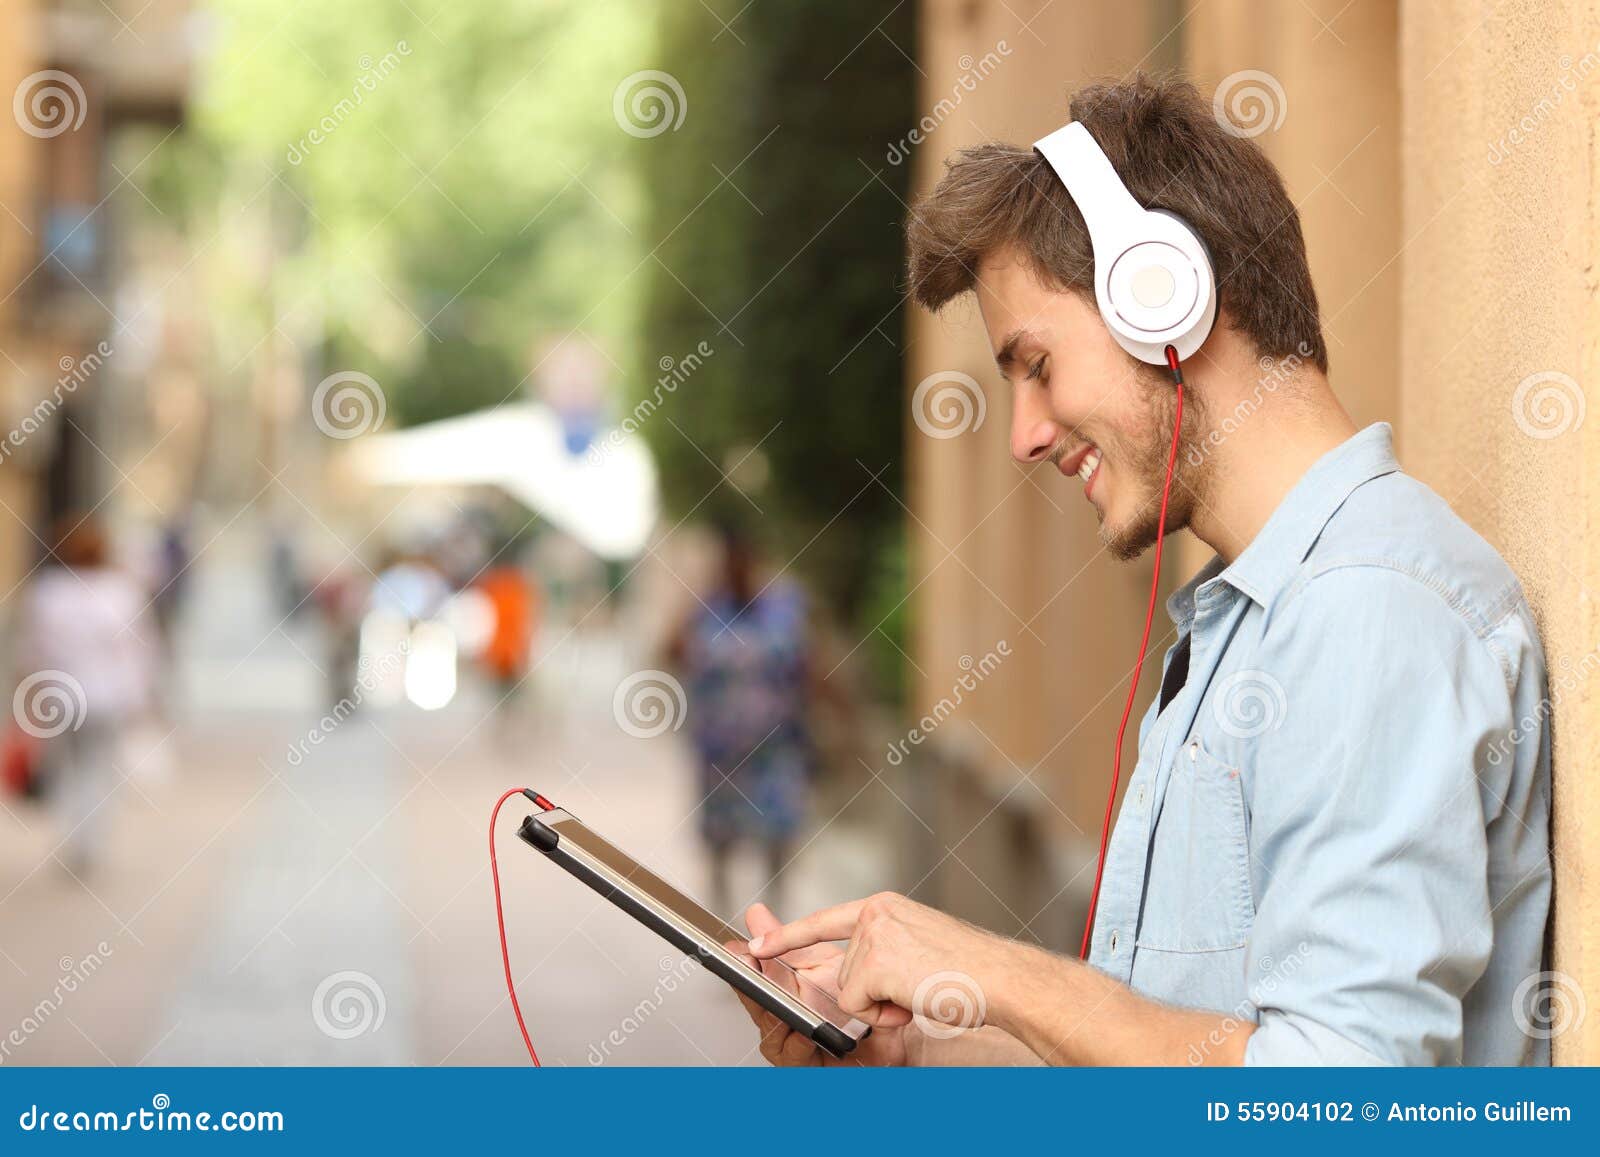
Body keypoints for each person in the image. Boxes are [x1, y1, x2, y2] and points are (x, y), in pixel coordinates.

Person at [734, 75, 1551, 1066]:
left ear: (1162, 295)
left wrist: (1009, 973)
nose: (1024, 437)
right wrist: (912, 1051)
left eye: (1034, 365)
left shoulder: (1369, 610)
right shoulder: (1249, 619)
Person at [665, 526, 816, 917]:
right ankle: (720, 927)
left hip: (776, 749)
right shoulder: (706, 610)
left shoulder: (785, 606)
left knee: (778, 837)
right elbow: (669, 651)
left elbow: (809, 664)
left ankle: (777, 926)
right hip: (720, 757)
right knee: (720, 843)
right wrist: (693, 602)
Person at [16, 515, 159, 877]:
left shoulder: (49, 593)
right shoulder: (120, 592)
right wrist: (142, 695)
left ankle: (74, 836)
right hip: (107, 695)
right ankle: (90, 841)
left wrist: (27, 691)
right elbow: (139, 649)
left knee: (66, 768)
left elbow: (34, 649)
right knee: (98, 769)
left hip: (62, 698)